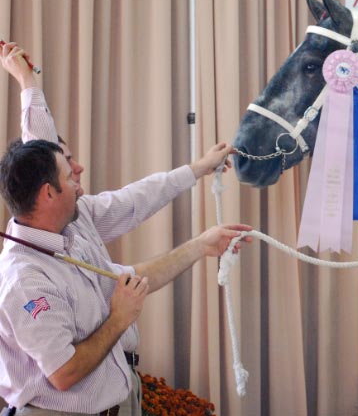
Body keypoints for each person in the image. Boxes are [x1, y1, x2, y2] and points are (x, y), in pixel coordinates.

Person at [0, 42, 243, 414]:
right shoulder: (25, 281)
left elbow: (132, 199)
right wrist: (119, 318)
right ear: (49, 192)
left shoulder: (69, 222)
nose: (79, 172)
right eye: (69, 169)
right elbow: (64, 374)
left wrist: (27, 82)